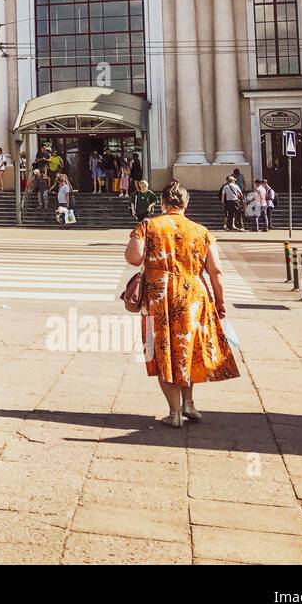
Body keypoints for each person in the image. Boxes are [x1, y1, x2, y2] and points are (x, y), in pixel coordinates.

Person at [125, 179, 240, 427]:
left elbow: (133, 258)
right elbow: (216, 271)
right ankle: (189, 404)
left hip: (159, 296)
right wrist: (220, 302)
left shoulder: (148, 225)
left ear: (163, 203)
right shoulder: (202, 231)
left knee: (163, 350)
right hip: (193, 296)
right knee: (188, 348)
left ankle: (174, 412)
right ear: (186, 203)